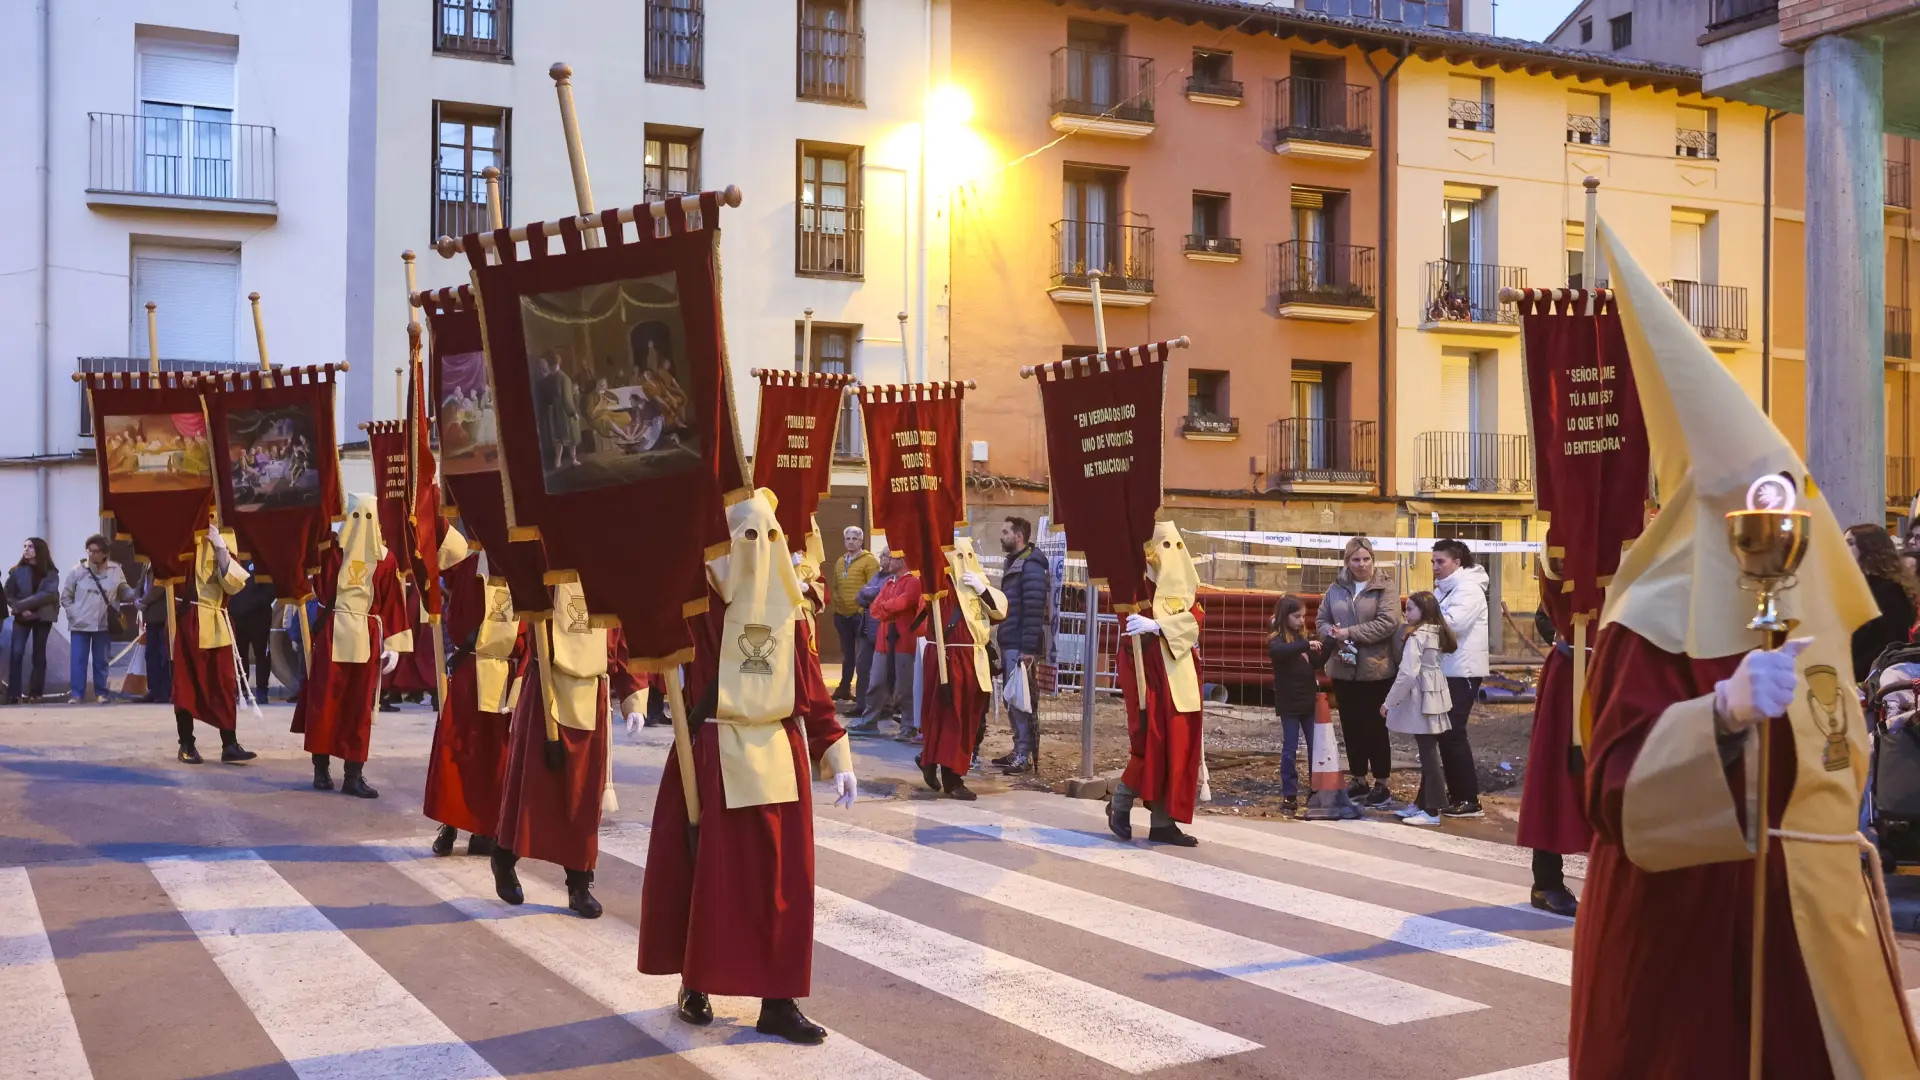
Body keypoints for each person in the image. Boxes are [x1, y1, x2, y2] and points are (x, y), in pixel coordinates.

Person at [1567, 223, 1919, 1076]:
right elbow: (1611, 794)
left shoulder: (1801, 615)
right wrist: (1715, 717)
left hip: (1816, 915)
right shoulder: (1651, 618)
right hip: (1693, 925)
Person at [639, 489, 858, 1045]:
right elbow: (649, 635)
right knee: (706, 878)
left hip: (779, 753)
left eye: (770, 536)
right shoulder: (697, 601)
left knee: (782, 886)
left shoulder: (791, 608)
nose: (759, 549)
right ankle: (696, 983)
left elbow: (811, 685)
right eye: (746, 536)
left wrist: (837, 751)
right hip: (713, 749)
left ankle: (778, 1001)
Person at [489, 580, 641, 918]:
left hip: (592, 695)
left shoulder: (611, 577)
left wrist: (633, 698)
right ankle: (504, 856)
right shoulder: (546, 568)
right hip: (548, 686)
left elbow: (625, 639)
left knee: (583, 798)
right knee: (533, 790)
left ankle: (579, 885)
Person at [291, 494, 412, 798]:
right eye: (356, 516)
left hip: (366, 635)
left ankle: (353, 775)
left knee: (359, 707)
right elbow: (308, 567)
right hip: (332, 631)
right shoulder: (330, 551)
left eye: (368, 517)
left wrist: (393, 643)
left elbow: (393, 601)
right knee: (325, 701)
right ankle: (321, 769)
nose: (362, 524)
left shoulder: (385, 558)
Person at [1109, 521, 1207, 846]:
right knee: (1149, 742)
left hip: (1179, 672)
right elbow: (1127, 620)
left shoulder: (1184, 589)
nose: (1170, 553)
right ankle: (1120, 804)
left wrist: (1160, 624)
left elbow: (1196, 619)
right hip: (1145, 670)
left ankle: (1163, 822)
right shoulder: (1136, 584)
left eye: (1175, 545)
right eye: (1162, 545)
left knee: (1176, 745)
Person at [1516, 563, 1584, 917]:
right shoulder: (1564, 549)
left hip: (1623, 664)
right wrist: (1565, 638)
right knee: (1556, 774)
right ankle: (1546, 881)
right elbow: (1547, 615)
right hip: (1576, 673)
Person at [915, 537, 1006, 801]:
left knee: (968, 718)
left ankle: (933, 761)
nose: (964, 560)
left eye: (967, 555)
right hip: (947, 656)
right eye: (957, 555)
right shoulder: (937, 586)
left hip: (973, 658)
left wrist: (981, 589)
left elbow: (1000, 612)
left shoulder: (977, 582)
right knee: (947, 716)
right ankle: (950, 775)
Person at [1315, 536, 1402, 806]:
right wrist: (1330, 632)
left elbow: (1388, 623)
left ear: (1373, 560)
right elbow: (1321, 618)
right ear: (1347, 561)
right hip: (1343, 667)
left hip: (1374, 668)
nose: (1361, 564)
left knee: (1374, 726)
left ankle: (1382, 782)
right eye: (1355, 559)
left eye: (1366, 559)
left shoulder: (1385, 588)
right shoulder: (1336, 588)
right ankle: (1358, 779)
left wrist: (1349, 632)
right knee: (1351, 726)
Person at [169, 525, 260, 766]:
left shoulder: (226, 538)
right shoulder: (181, 538)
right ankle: (186, 743)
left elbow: (234, 585)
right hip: (189, 619)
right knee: (186, 683)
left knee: (224, 682)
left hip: (217, 618)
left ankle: (229, 743)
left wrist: (220, 548)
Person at [1383, 592, 1456, 828]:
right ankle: (1423, 804)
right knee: (1429, 750)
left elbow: (1407, 673)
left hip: (1421, 695)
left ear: (1422, 611)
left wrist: (1389, 702)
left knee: (1428, 754)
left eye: (1411, 608)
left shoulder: (1417, 637)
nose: (1406, 613)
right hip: (1434, 693)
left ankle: (1433, 809)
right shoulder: (1437, 632)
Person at [1431, 539, 1488, 817]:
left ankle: (1468, 798)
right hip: (1447, 669)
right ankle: (1455, 795)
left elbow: (1453, 626)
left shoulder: (1468, 590)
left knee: (1453, 733)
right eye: (1433, 562)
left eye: (1440, 562)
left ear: (1457, 562)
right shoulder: (1444, 590)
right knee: (1444, 734)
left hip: (1462, 671)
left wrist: (1421, 624)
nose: (1435, 567)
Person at [995, 516, 1050, 774]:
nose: (1001, 536)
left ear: (1018, 536)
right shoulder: (1016, 563)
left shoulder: (1031, 566)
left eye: (1005, 532)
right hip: (1012, 640)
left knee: (1021, 702)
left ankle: (1024, 755)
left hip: (1020, 645)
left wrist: (1028, 650)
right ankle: (1019, 749)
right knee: (1013, 700)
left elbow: (1034, 609)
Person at [851, 553, 924, 740]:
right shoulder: (889, 582)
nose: (887, 561)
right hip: (883, 642)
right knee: (875, 682)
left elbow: (903, 602)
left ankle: (909, 726)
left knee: (904, 686)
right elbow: (874, 608)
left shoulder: (914, 582)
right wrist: (887, 607)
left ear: (902, 560)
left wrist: (886, 606)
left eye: (891, 557)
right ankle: (869, 722)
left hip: (904, 642)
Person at [59, 534, 135, 704]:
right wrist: (74, 614)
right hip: (80, 624)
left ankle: (102, 693)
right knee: (78, 660)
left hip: (103, 623)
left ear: (104, 554)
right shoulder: (77, 571)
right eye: (89, 551)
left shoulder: (115, 570)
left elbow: (123, 589)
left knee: (101, 660)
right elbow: (65, 597)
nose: (91, 554)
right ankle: (77, 694)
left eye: (95, 551)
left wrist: (136, 593)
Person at [1267, 595, 1325, 816]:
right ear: (1285, 616)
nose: (1301, 620)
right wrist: (1305, 643)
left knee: (1315, 748)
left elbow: (1317, 662)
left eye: (1303, 616)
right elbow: (1277, 653)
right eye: (1296, 616)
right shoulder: (1277, 639)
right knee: (1290, 749)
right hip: (1289, 703)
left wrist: (1329, 643)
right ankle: (1289, 793)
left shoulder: (1304, 638)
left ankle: (1316, 788)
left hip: (1308, 701)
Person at [1845, 523, 1916, 681]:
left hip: (1871, 678)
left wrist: (1850, 671)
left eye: (1850, 543)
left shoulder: (1891, 590)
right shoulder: (1855, 586)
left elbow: (1888, 643)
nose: (1842, 549)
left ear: (1870, 549)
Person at [827, 526, 879, 707]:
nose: (850, 541)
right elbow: (834, 586)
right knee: (847, 654)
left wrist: (860, 609)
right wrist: (837, 606)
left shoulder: (869, 561)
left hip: (861, 615)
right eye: (847, 538)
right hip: (842, 615)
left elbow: (874, 587)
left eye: (854, 539)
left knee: (863, 656)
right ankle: (844, 687)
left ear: (861, 541)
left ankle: (864, 693)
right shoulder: (841, 561)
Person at [6, 538, 58, 703]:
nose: (26, 549)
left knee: (39, 655)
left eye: (30, 547)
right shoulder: (16, 571)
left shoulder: (51, 572)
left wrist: (22, 605)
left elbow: (48, 594)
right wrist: (21, 609)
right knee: (16, 652)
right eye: (25, 546)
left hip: (43, 617)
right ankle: (13, 694)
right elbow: (8, 593)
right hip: (22, 618)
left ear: (39, 550)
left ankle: (36, 693)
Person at [228, 565, 276, 706]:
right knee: (240, 655)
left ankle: (261, 690)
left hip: (259, 618)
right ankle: (243, 688)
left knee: (261, 654)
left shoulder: (262, 561)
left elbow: (270, 591)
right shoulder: (236, 561)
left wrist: (250, 605)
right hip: (238, 618)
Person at [134, 568, 173, 704]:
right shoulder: (146, 564)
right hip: (150, 617)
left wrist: (143, 601)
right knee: (151, 654)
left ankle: (165, 691)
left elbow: (159, 586)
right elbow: (140, 584)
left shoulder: (161, 561)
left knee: (164, 654)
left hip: (164, 616)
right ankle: (153, 689)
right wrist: (137, 598)